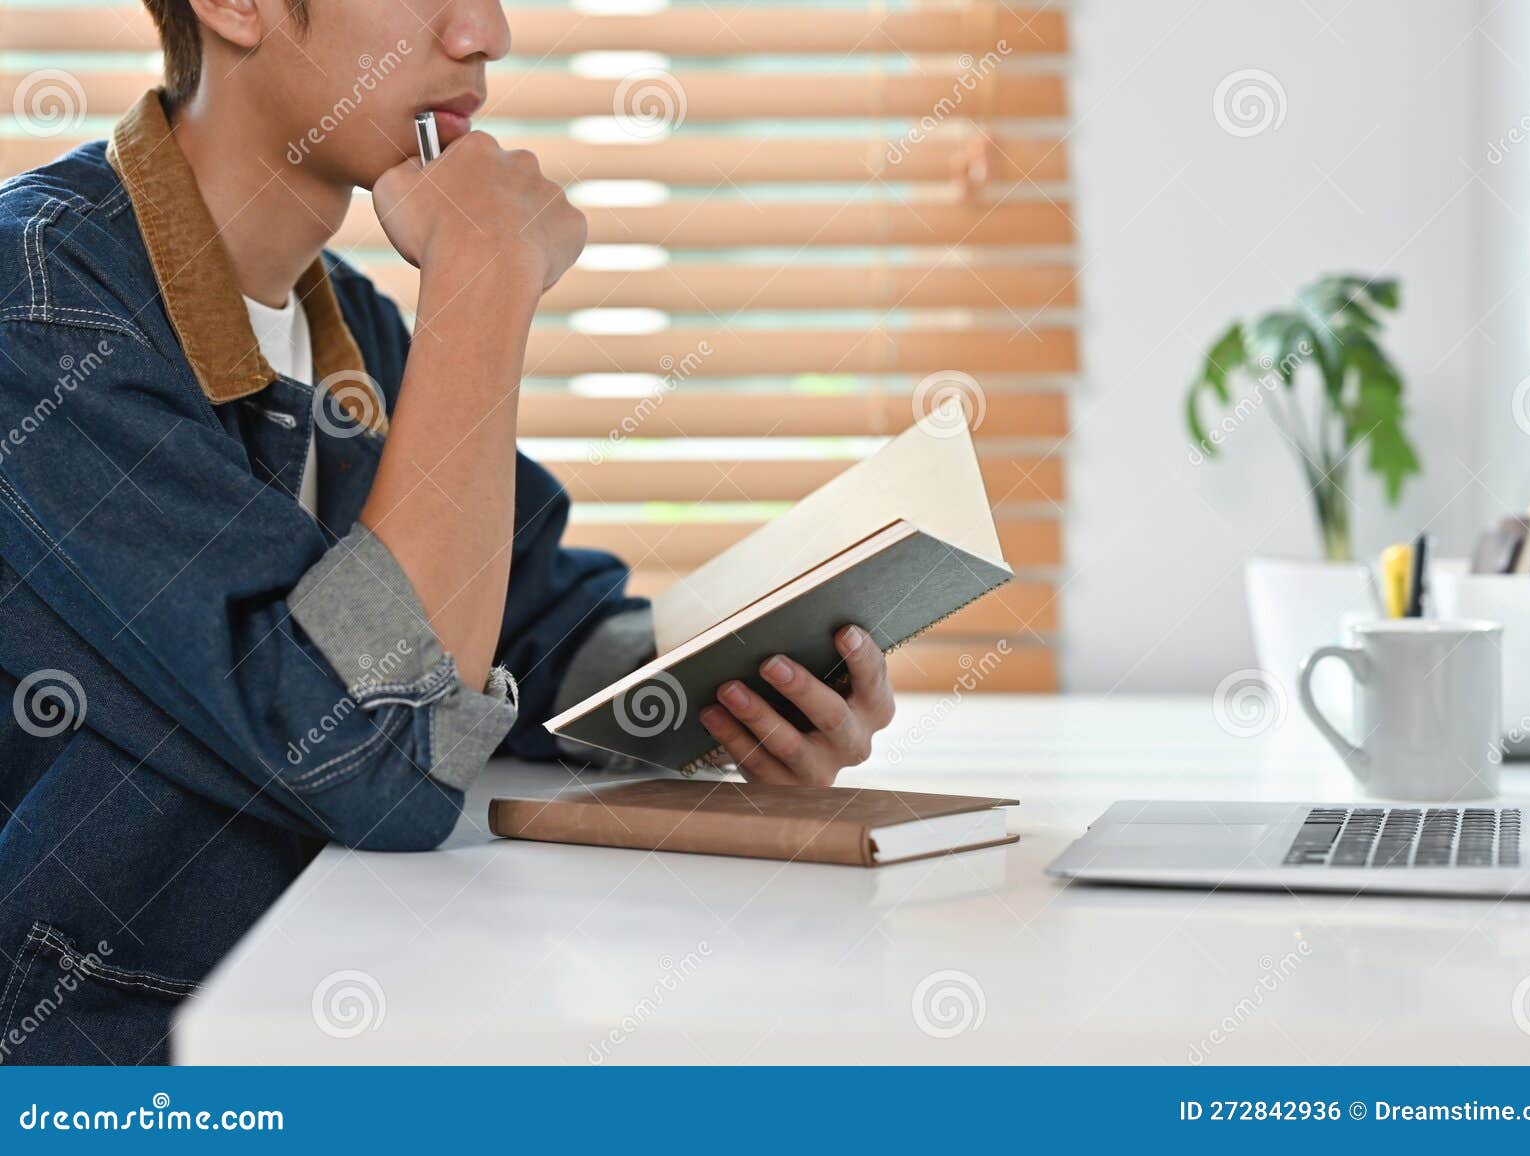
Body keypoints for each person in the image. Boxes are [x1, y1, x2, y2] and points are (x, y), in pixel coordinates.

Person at [0, 0, 897, 1065]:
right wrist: (480, 284)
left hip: (343, 1015)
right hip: (124, 1069)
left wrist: (744, 694)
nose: (488, 34)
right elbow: (365, 748)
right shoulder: (39, 309)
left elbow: (543, 633)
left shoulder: (350, 329)